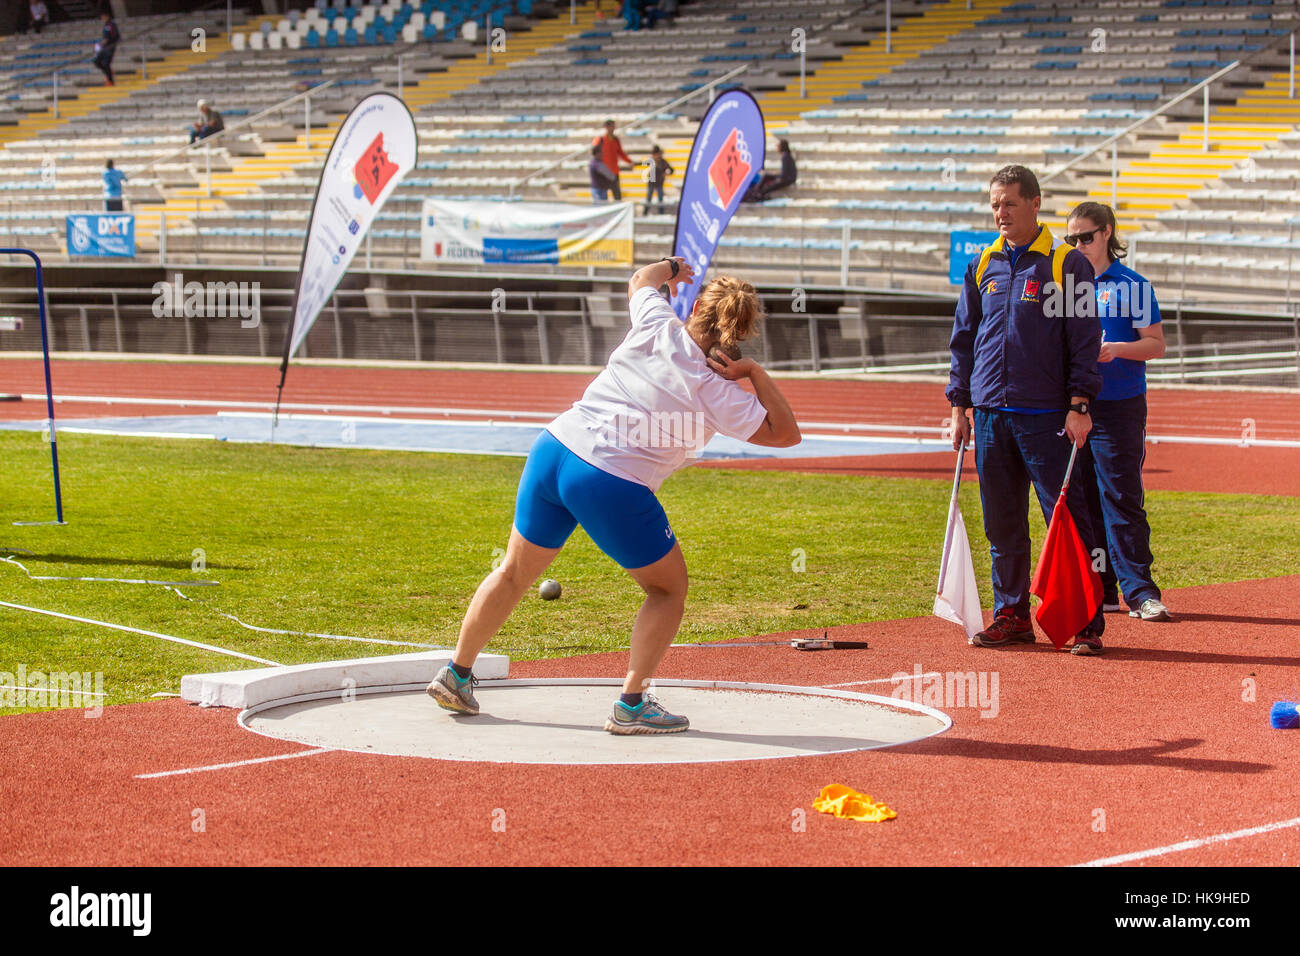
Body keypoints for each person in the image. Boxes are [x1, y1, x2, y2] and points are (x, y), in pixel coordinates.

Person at [427, 257, 801, 733]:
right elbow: (785, 433)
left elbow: (640, 280)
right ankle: (631, 704)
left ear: (695, 308)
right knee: (667, 590)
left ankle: (456, 674)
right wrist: (754, 373)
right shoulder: (717, 388)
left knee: (512, 572)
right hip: (609, 477)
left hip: (554, 448)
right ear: (738, 334)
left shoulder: (656, 321)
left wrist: (672, 267)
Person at [948, 164, 1108, 655]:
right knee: (1001, 522)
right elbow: (964, 340)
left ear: (1035, 204)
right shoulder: (983, 264)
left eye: (1010, 203)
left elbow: (1084, 339)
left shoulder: (1066, 264)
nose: (1000, 212)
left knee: (1066, 517)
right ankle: (1012, 614)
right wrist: (960, 404)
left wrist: (1080, 403)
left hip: (1046, 417)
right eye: (995, 203)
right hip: (992, 413)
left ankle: (1085, 622)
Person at [1065, 201, 1172, 623]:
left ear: (1107, 232)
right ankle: (1100, 588)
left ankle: (1141, 592)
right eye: (1072, 239)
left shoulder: (1134, 286)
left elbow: (1157, 345)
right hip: (1075, 407)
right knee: (1083, 501)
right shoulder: (1066, 285)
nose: (1079, 245)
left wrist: (1116, 350)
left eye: (1086, 237)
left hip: (1119, 406)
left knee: (1121, 498)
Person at [593, 119, 634, 201]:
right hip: (603, 173)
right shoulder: (600, 140)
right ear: (606, 127)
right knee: (603, 198)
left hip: (614, 172)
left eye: (614, 126)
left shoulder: (616, 140)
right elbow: (594, 153)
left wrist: (629, 161)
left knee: (617, 197)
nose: (613, 128)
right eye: (611, 126)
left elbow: (621, 153)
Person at [643, 143, 673, 215]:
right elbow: (642, 163)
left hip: (659, 182)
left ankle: (661, 213)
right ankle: (645, 212)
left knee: (660, 198)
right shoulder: (652, 161)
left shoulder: (663, 162)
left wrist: (666, 173)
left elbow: (671, 170)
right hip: (652, 182)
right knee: (649, 198)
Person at [93, 11, 120, 87]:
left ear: (107, 16)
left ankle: (110, 81)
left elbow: (112, 37)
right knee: (96, 61)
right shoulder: (106, 25)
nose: (102, 18)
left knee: (106, 63)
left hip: (110, 47)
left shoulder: (111, 25)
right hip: (105, 47)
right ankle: (108, 72)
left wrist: (103, 43)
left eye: (103, 16)